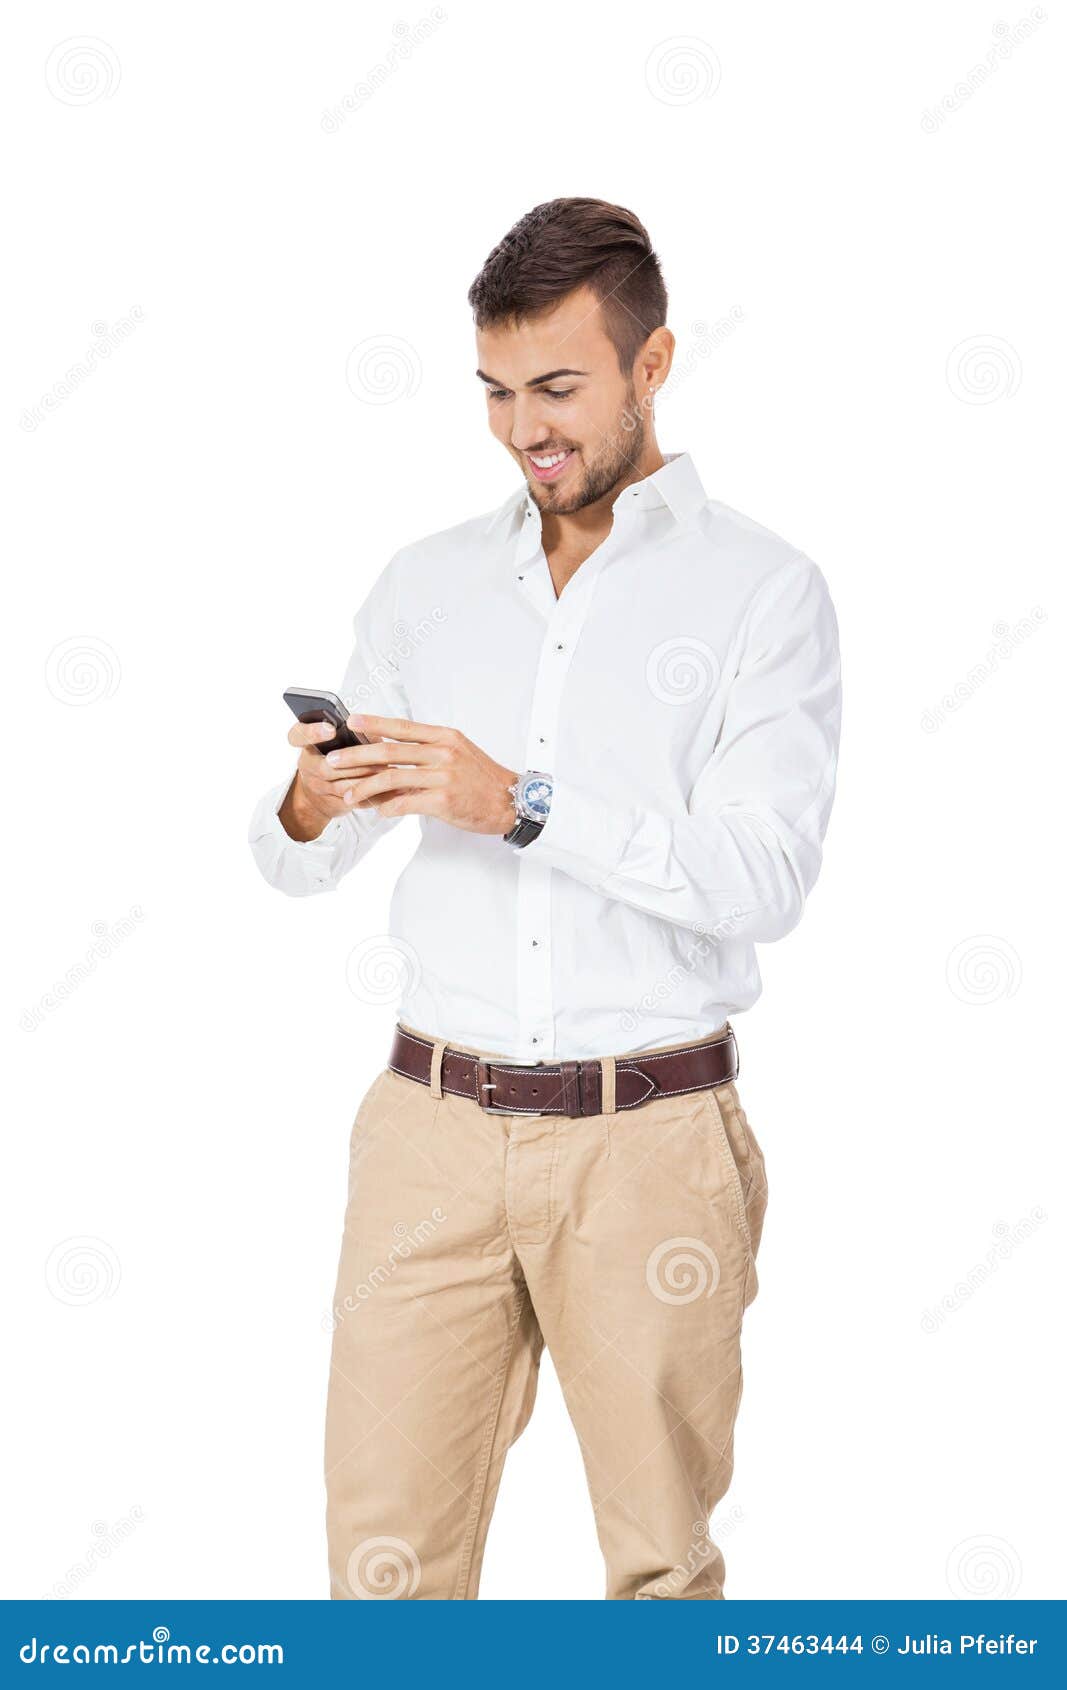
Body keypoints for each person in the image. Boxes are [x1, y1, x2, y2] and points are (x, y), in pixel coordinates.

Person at [249, 197, 842, 1601]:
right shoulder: (427, 584)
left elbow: (765, 877)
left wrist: (520, 802)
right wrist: (315, 799)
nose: (529, 430)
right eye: (500, 393)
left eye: (561, 388)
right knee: (383, 1571)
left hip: (648, 1143)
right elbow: (294, 862)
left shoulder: (764, 592)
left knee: (657, 1570)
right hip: (427, 1135)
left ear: (653, 366)